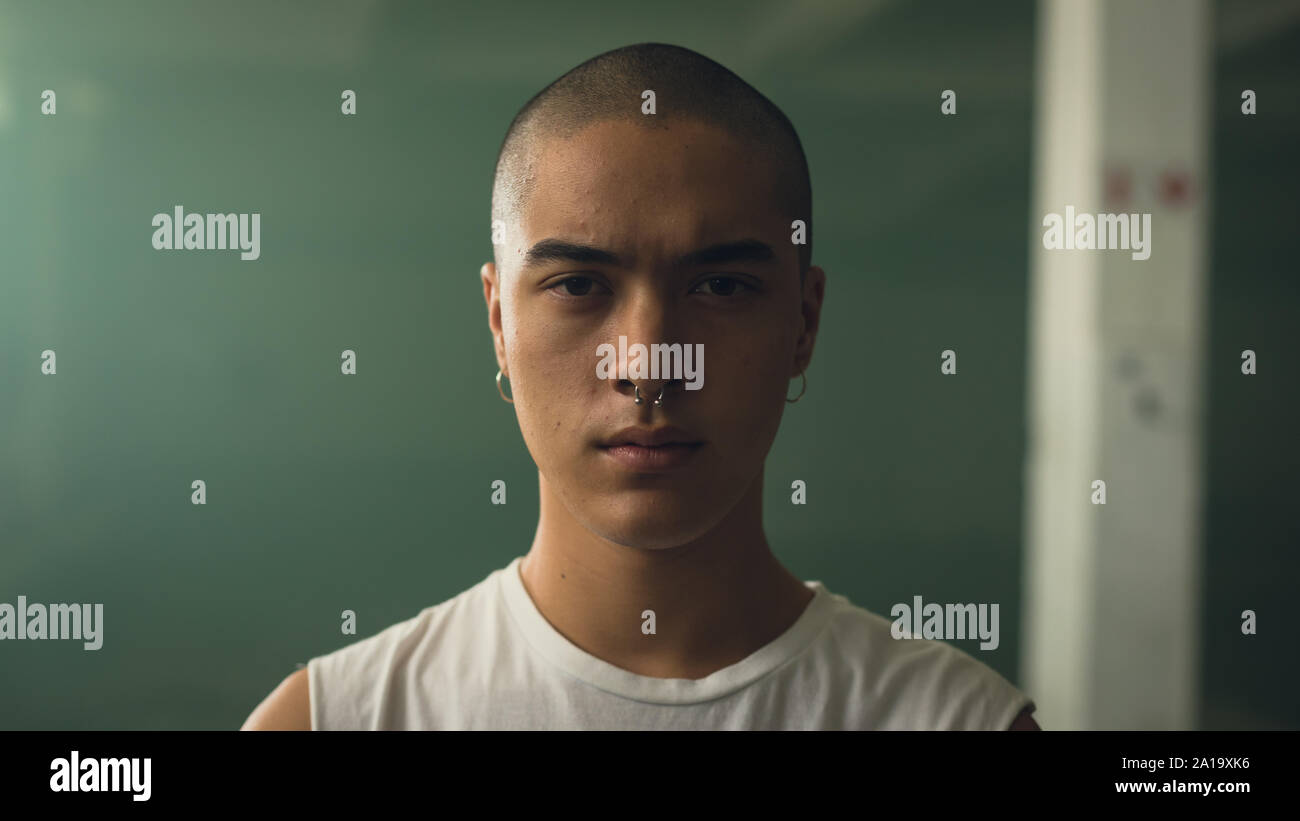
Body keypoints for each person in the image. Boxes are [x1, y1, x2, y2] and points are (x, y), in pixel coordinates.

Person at [243, 42, 1039, 731]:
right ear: (500, 322)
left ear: (803, 323)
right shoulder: (333, 717)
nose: (650, 364)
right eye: (579, 285)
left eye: (721, 287)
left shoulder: (956, 719)